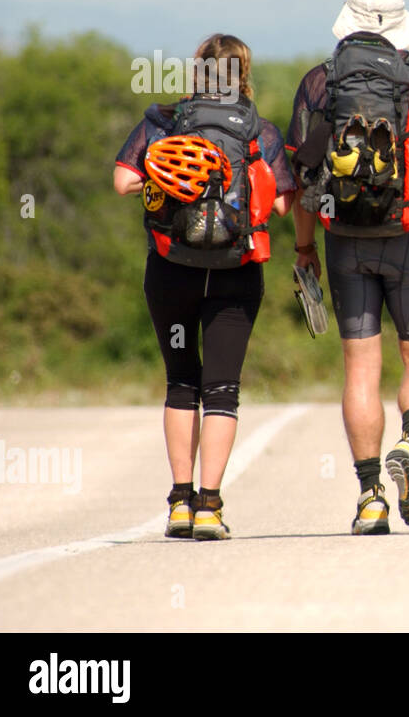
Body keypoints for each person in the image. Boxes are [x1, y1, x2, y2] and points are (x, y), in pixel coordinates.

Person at [287, 0, 409, 536]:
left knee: (360, 369)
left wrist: (304, 247)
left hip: (345, 238)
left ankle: (370, 496)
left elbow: (301, 176)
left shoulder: (319, 83)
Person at [113, 33, 296, 540]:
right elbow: (281, 204)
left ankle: (178, 501)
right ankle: (210, 506)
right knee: (222, 389)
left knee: (180, 383)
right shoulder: (260, 130)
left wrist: (168, 182)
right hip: (236, 271)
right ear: (243, 74)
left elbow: (122, 181)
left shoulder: (163, 121)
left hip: (171, 268)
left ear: (197, 72)